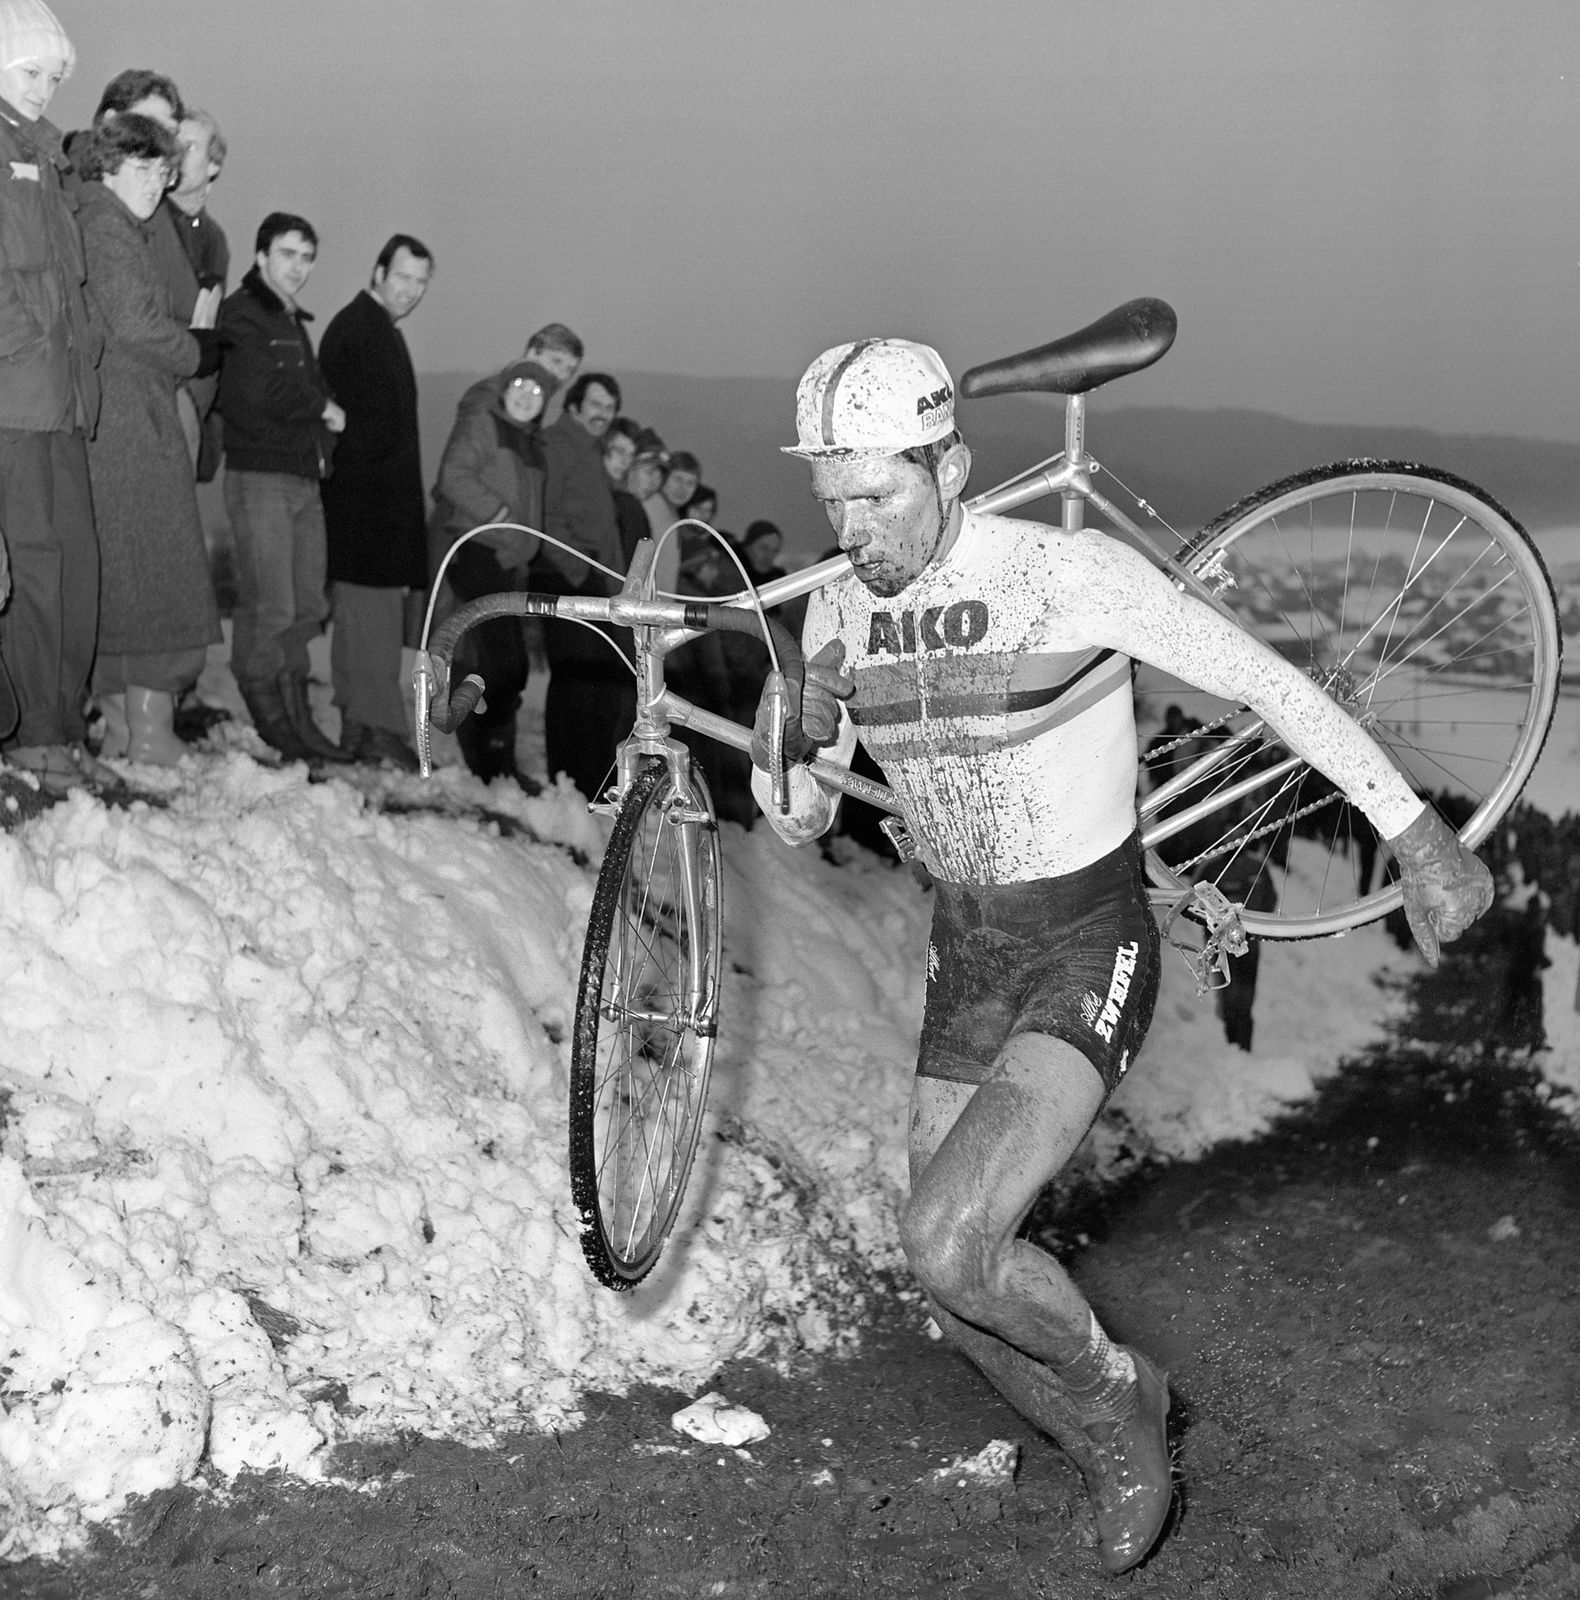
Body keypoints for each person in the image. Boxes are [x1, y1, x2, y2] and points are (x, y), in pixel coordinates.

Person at [749, 338, 1496, 1575]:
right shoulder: (835, 607)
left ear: (949, 465)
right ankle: (1104, 1433)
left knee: (948, 1240)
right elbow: (803, 815)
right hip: (966, 950)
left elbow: (1272, 686)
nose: (853, 529)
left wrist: (1416, 836)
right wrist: (788, 747)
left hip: (1083, 937)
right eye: (831, 500)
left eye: (875, 495)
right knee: (950, 1285)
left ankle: (1116, 1395)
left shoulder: (1064, 574)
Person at [76, 113, 222, 765]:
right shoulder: (107, 228)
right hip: (128, 429)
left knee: (132, 579)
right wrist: (196, 350)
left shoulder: (113, 223)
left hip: (126, 422)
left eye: (163, 171)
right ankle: (146, 733)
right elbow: (135, 324)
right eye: (142, 168)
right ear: (108, 167)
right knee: (153, 576)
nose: (155, 183)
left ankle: (129, 731)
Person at [0, 0, 106, 796]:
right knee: (34, 563)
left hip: (63, 398)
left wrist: (79, 351)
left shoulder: (46, 155)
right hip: (16, 400)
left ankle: (62, 720)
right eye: (29, 71)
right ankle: (35, 732)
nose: (43, 87)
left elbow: (69, 284)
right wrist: (24, 344)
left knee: (74, 564)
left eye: (53, 76)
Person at [214, 211, 350, 764]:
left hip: (302, 478)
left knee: (306, 605)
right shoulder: (242, 314)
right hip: (260, 477)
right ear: (261, 256)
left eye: (307, 257)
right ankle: (269, 715)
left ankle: (298, 717)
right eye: (288, 254)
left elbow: (300, 388)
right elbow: (253, 391)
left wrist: (325, 419)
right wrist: (321, 407)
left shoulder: (290, 321)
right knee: (270, 605)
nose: (298, 267)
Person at [319, 233, 434, 771]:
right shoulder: (360, 330)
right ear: (379, 271)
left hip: (373, 507)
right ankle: (376, 727)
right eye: (403, 277)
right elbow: (352, 430)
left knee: (366, 624)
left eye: (421, 282)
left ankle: (361, 725)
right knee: (373, 623)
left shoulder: (375, 328)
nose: (411, 290)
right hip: (366, 508)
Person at [429, 358, 557, 785]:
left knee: (507, 664)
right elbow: (453, 475)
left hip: (506, 560)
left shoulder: (528, 440)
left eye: (536, 392)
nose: (526, 396)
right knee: (499, 661)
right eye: (519, 385)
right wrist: (499, 516)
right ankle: (484, 758)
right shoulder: (486, 424)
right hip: (478, 551)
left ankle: (497, 759)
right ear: (503, 389)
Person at [536, 371, 634, 799]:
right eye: (595, 404)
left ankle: (592, 781)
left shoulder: (589, 450)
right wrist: (579, 567)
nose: (603, 414)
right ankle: (571, 782)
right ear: (574, 404)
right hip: (568, 576)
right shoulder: (557, 444)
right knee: (575, 682)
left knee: (595, 684)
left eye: (609, 408)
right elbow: (545, 513)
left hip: (594, 579)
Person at [168, 109, 228, 477]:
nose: (176, 152)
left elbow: (209, 323)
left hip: (192, 397)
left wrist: (198, 404)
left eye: (190, 146)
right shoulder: (147, 220)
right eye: (173, 143)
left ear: (213, 165)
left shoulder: (213, 239)